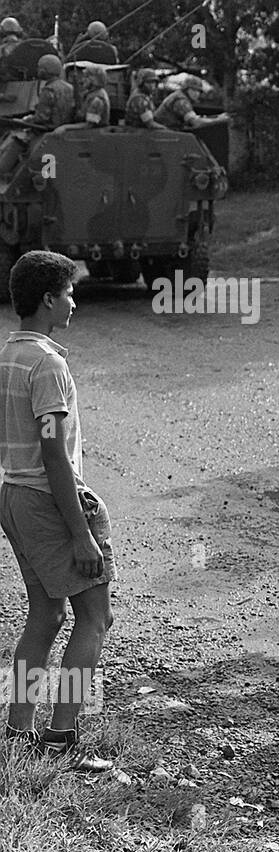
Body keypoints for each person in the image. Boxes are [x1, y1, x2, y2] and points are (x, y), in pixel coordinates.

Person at [0, 251, 114, 771]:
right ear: (48, 300)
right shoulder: (48, 364)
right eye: (68, 292)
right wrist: (81, 534)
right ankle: (61, 734)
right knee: (95, 615)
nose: (74, 301)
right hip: (49, 501)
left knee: (45, 614)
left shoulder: (6, 355)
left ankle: (18, 727)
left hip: (13, 498)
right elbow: (53, 452)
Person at [0, 54, 74, 178]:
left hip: (46, 128)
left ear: (46, 70)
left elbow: (42, 118)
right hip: (62, 126)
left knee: (15, 137)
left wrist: (27, 119)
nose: (38, 70)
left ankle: (3, 170)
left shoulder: (49, 90)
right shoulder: (69, 87)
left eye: (40, 68)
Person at [155, 74, 229, 131]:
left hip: (167, 131)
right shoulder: (181, 101)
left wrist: (217, 117)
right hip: (166, 132)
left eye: (198, 91)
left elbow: (195, 118)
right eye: (193, 90)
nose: (196, 93)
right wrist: (220, 120)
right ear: (186, 89)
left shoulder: (179, 96)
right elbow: (197, 123)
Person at [62, 64, 110, 130]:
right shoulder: (89, 94)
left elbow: (89, 125)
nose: (82, 80)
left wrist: (64, 127)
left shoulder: (97, 99)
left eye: (86, 77)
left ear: (94, 79)